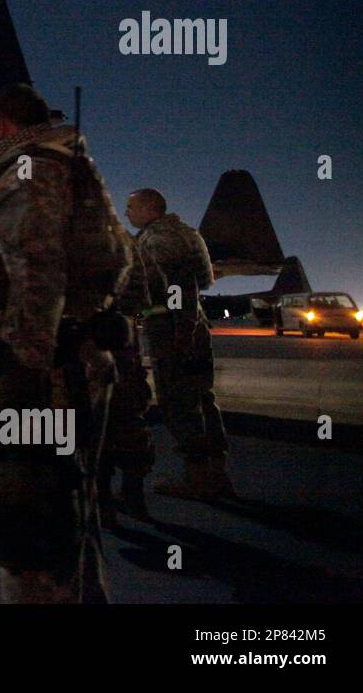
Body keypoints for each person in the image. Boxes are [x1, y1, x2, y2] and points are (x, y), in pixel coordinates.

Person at [0, 83, 124, 604]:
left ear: (0, 124)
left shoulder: (31, 170)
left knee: (23, 521)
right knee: (61, 518)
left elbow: (38, 271)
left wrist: (22, 377)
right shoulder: (54, 164)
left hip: (41, 371)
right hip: (59, 359)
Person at [126, 188, 234, 500]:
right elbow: (203, 280)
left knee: (178, 402)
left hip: (171, 327)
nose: (127, 213)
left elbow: (180, 287)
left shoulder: (159, 238)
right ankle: (216, 474)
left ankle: (199, 478)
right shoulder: (188, 233)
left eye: (131, 207)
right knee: (202, 397)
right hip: (192, 324)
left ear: (148, 209)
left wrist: (181, 332)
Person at [99, 231, 164, 524]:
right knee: (128, 416)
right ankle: (133, 494)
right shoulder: (122, 237)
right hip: (122, 339)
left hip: (80, 343)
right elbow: (144, 292)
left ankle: (100, 502)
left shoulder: (52, 229)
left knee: (86, 421)